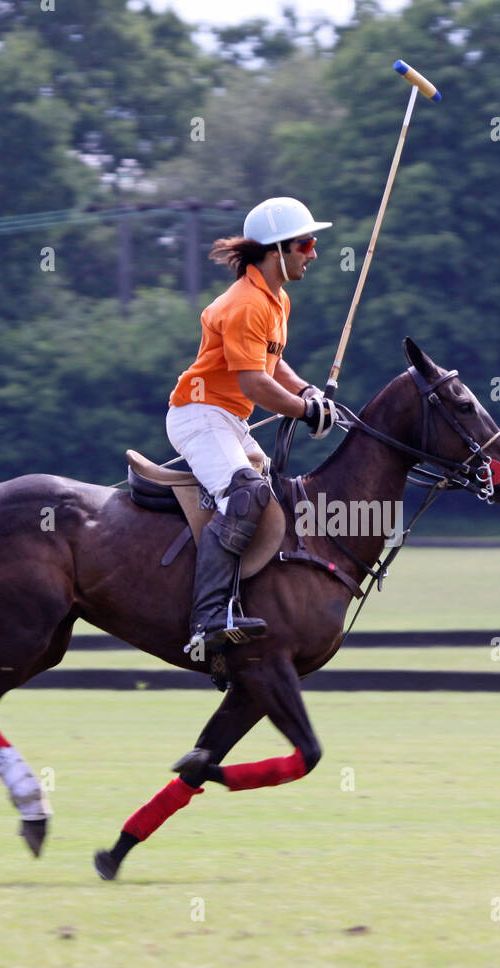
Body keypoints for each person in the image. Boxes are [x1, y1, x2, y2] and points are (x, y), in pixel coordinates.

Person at [167, 196, 338, 653]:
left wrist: (307, 393)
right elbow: (255, 384)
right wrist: (302, 412)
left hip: (228, 419)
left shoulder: (275, 299)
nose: (314, 253)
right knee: (246, 492)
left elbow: (274, 366)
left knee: (273, 498)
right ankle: (206, 620)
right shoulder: (246, 304)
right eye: (306, 243)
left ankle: (245, 602)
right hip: (200, 415)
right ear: (277, 250)